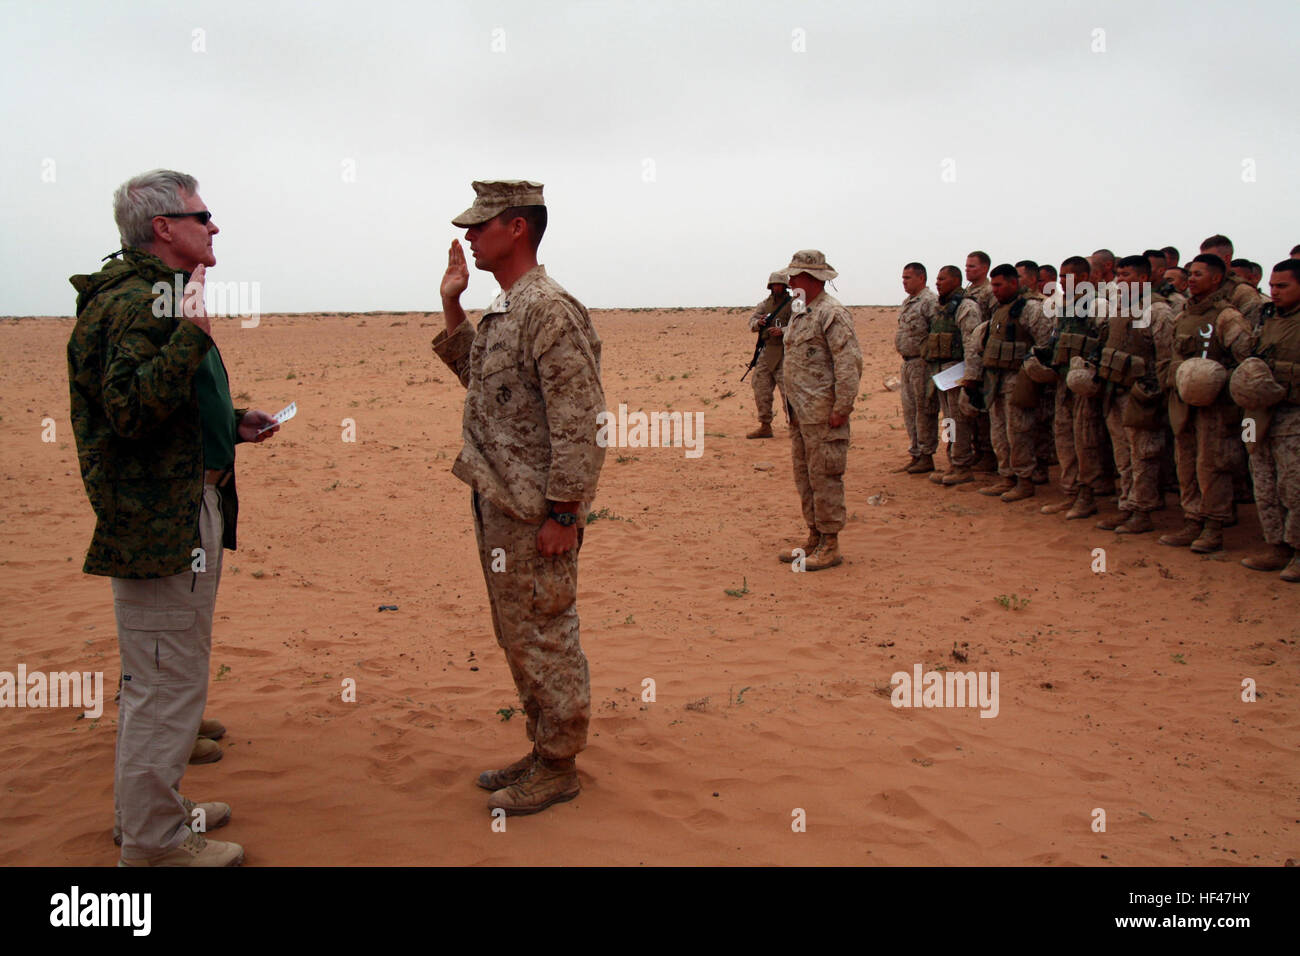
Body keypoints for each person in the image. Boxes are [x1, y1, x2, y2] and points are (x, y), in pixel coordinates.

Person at [68, 169, 279, 866]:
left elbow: (160, 404)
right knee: (163, 685)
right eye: (202, 215)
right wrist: (191, 336)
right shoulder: (141, 302)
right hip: (162, 524)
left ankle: (152, 818)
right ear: (163, 228)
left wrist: (228, 419)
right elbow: (128, 410)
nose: (214, 227)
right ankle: (154, 847)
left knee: (162, 678)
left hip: (182, 509)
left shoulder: (157, 295)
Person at [433, 179, 606, 815]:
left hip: (537, 512)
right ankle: (542, 746)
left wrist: (565, 511)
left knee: (543, 631)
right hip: (500, 502)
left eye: (480, 226)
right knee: (518, 633)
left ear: (516, 228)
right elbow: (481, 384)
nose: (469, 237)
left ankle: (559, 764)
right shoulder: (509, 307)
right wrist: (454, 307)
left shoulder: (548, 309)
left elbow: (581, 419)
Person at [1157, 253, 1252, 552]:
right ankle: (1192, 520)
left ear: (1216, 278)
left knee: (1212, 465)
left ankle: (1214, 526)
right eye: (1190, 274)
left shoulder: (1227, 317)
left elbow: (1247, 361)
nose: (1193, 279)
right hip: (1183, 402)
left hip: (1215, 407)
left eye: (1199, 274)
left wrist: (1217, 382)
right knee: (1185, 463)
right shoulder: (1183, 315)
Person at [777, 250, 862, 570]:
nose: (790, 281)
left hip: (824, 413)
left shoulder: (832, 313)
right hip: (801, 412)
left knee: (826, 476)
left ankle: (831, 544)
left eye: (795, 277)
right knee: (806, 476)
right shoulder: (802, 311)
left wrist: (842, 407)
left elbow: (848, 363)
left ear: (811, 279)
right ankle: (814, 535)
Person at [1095, 255, 1175, 534]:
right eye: (1118, 274)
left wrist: (1154, 393)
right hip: (1115, 391)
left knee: (1143, 455)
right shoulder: (1119, 309)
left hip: (1141, 394)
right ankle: (1127, 505)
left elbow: (1167, 359)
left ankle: (1143, 511)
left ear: (1143, 279)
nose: (1119, 280)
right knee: (1124, 455)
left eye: (1126, 275)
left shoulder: (1158, 311)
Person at [1239, 259, 1300, 581]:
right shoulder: (1266, 318)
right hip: (1262, 415)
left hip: (1294, 415)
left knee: (1294, 486)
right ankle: (1276, 546)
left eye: (1283, 286)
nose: (1274, 292)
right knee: (1264, 484)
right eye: (1273, 286)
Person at [976, 264, 1052, 501]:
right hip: (996, 380)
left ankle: (1025, 480)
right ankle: (1007, 476)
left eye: (998, 285)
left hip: (1018, 380)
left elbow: (1045, 344)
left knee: (1018, 432)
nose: (994, 290)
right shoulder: (1000, 310)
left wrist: (1031, 371)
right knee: (999, 432)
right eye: (993, 285)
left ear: (1013, 283)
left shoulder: (1030, 309)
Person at [1040, 256, 1106, 519]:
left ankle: (1087, 495)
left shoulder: (1098, 306)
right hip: (1063, 383)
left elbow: (1104, 344)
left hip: (1084, 387)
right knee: (1065, 439)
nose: (1063, 282)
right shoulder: (1065, 308)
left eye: (1068, 276)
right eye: (1061, 276)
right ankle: (1070, 493)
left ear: (1084, 278)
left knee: (1085, 442)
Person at [926, 265, 982, 486]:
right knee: (948, 421)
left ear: (956, 281)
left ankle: (962, 465)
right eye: (937, 279)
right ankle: (952, 462)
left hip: (957, 372)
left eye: (942, 279)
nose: (938, 282)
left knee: (958, 421)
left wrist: (971, 375)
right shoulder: (942, 308)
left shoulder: (966, 307)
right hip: (942, 373)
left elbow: (972, 343)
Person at [894, 262, 940, 474]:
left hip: (923, 363)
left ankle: (926, 454)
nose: (904, 281)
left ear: (921, 278)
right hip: (908, 363)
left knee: (924, 410)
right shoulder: (908, 302)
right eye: (903, 278)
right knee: (910, 411)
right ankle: (915, 453)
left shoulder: (930, 302)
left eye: (908, 278)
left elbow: (935, 332)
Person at [745, 271, 793, 439]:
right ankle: (765, 425)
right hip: (766, 352)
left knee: (789, 393)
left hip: (786, 352)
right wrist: (759, 323)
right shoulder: (765, 304)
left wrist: (783, 331)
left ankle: (796, 427)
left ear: (785, 286)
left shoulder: (795, 304)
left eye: (779, 284)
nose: (776, 287)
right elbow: (751, 323)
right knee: (761, 389)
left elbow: (803, 324)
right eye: (774, 285)